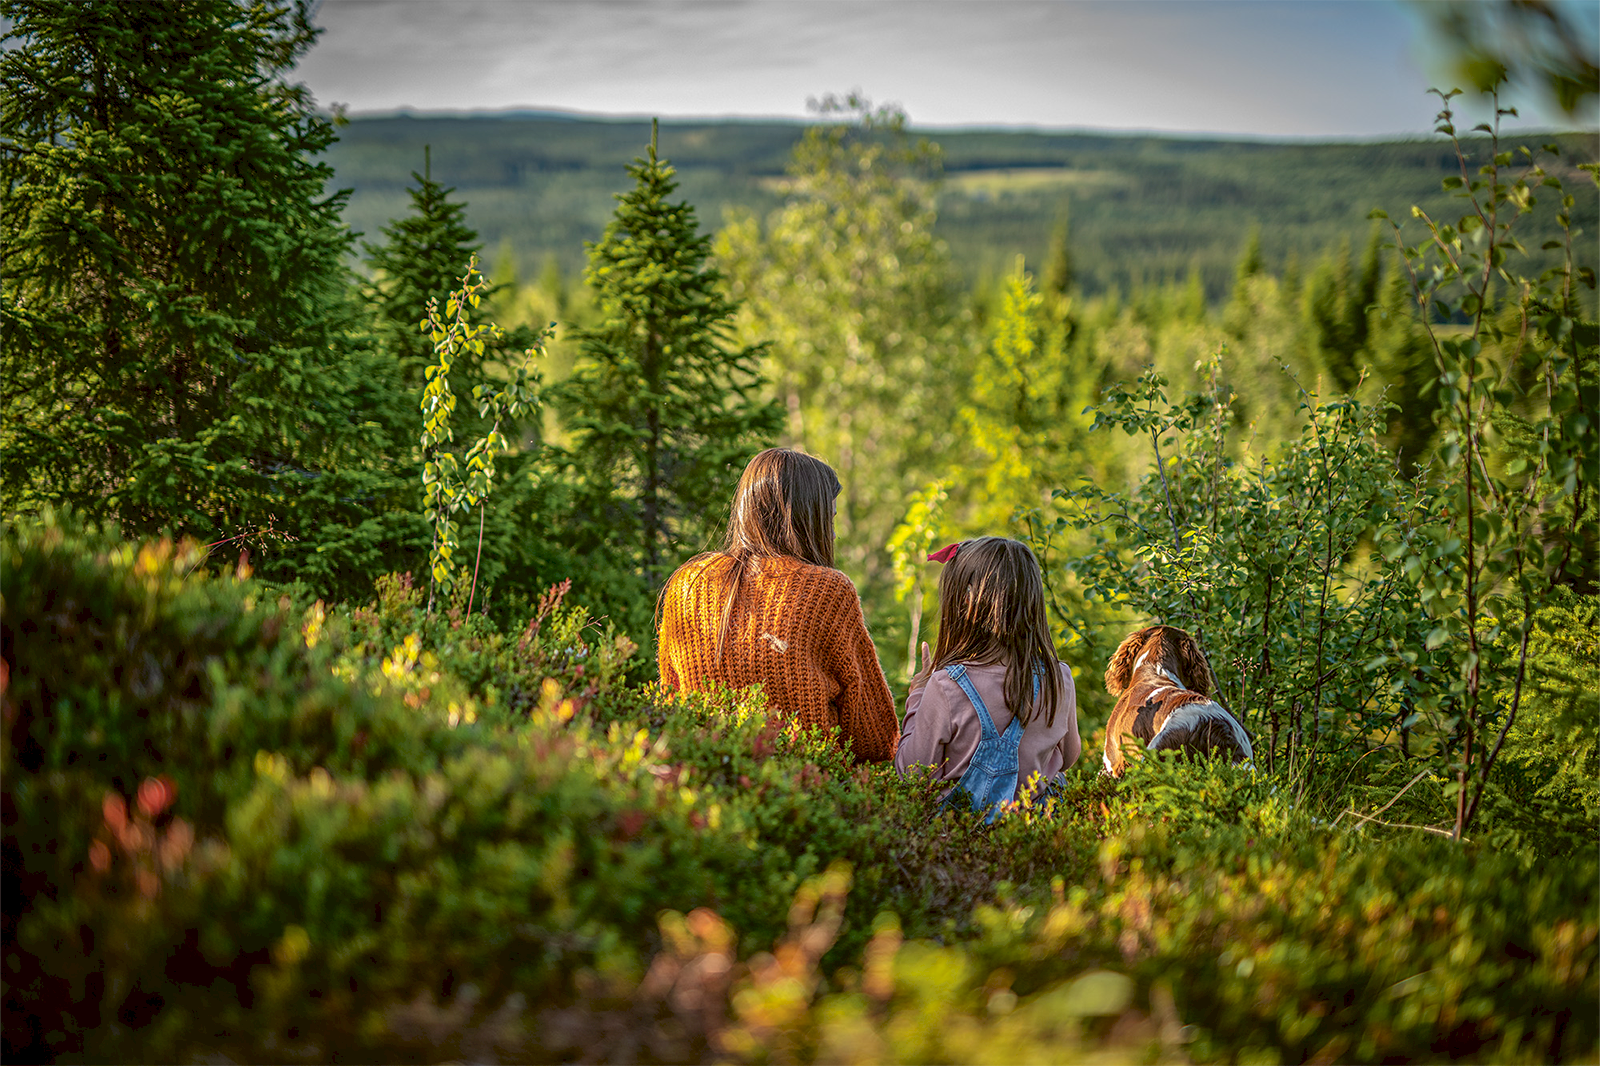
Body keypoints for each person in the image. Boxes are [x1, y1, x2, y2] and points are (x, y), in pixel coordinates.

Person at [656, 448, 899, 763]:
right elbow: (874, 741)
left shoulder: (687, 584)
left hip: (705, 790)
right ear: (806, 518)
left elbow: (669, 706)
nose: (834, 533)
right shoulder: (826, 591)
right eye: (830, 519)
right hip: (806, 797)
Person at [895, 536, 1080, 819]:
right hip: (1033, 835)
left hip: (959, 840)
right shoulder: (1059, 677)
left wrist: (917, 695)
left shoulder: (946, 686)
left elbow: (913, 775)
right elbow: (1068, 757)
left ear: (966, 602)